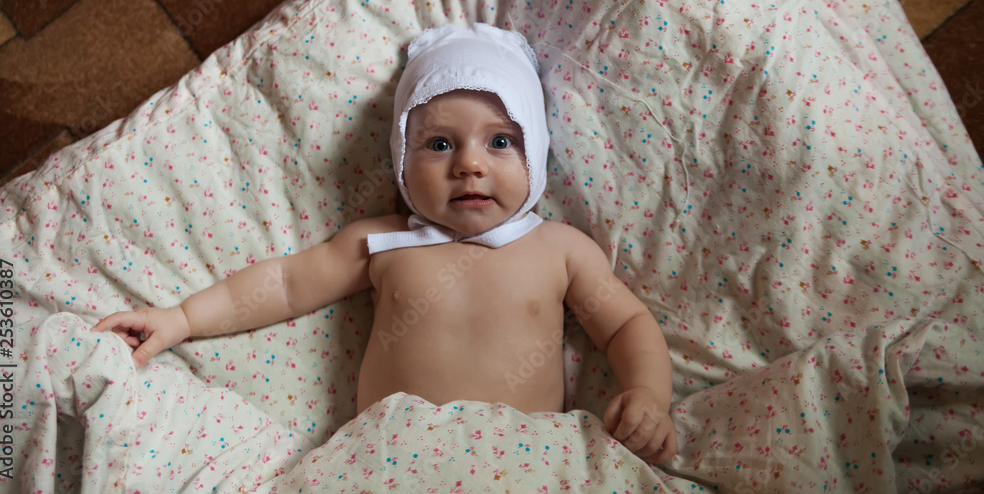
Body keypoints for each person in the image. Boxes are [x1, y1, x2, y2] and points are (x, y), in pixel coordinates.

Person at [94, 23, 678, 463]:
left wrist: (647, 393)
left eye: (500, 141)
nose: (470, 165)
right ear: (400, 159)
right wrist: (179, 320)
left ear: (536, 154)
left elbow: (626, 324)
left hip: (521, 459)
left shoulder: (561, 248)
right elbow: (286, 283)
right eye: (440, 145)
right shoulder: (385, 241)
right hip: (393, 459)